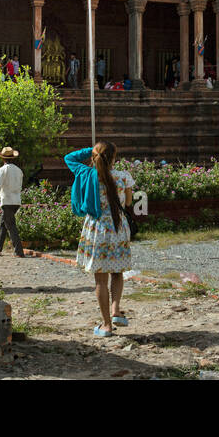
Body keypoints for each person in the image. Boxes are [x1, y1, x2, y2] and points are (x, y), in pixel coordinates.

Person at [65, 141, 134, 337]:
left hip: (97, 229)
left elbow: (69, 158)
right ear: (114, 157)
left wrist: (92, 149)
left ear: (95, 157)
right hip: (118, 228)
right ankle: (116, 311)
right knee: (117, 271)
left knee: (100, 279)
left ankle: (106, 325)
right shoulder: (124, 177)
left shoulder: (88, 174)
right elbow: (128, 203)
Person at [0, 146, 25, 257]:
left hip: (7, 201)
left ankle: (19, 251)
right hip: (16, 201)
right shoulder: (19, 171)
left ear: (3, 159)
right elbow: (19, 186)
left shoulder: (2, 170)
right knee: (4, 224)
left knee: (11, 226)